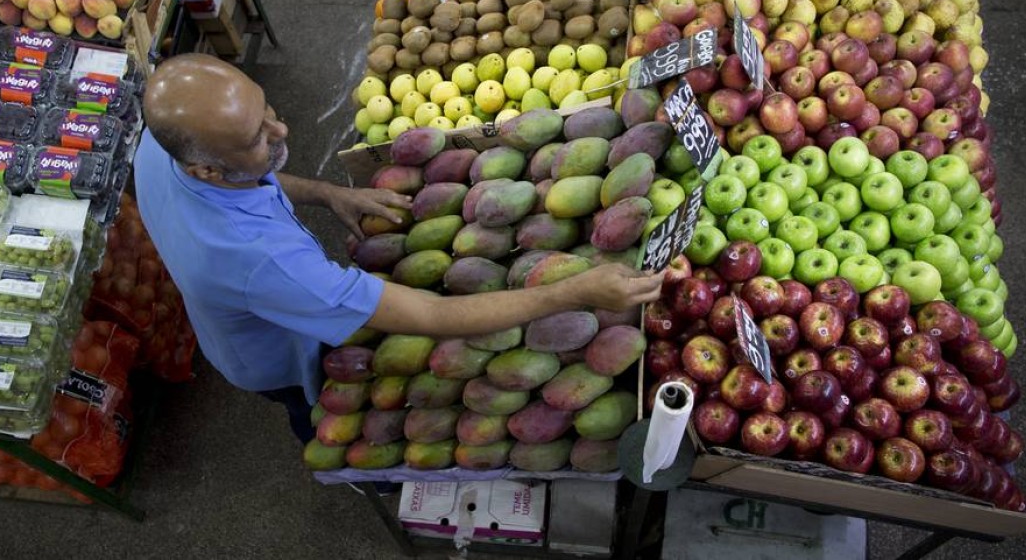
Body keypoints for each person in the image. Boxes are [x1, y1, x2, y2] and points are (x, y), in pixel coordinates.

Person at [134, 54, 663, 442]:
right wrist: (572, 292)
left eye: (268, 108)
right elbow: (430, 315)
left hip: (236, 303)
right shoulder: (268, 264)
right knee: (317, 411)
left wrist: (326, 192)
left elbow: (244, 181)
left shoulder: (160, 153)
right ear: (204, 165)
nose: (281, 127)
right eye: (256, 135)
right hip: (275, 352)